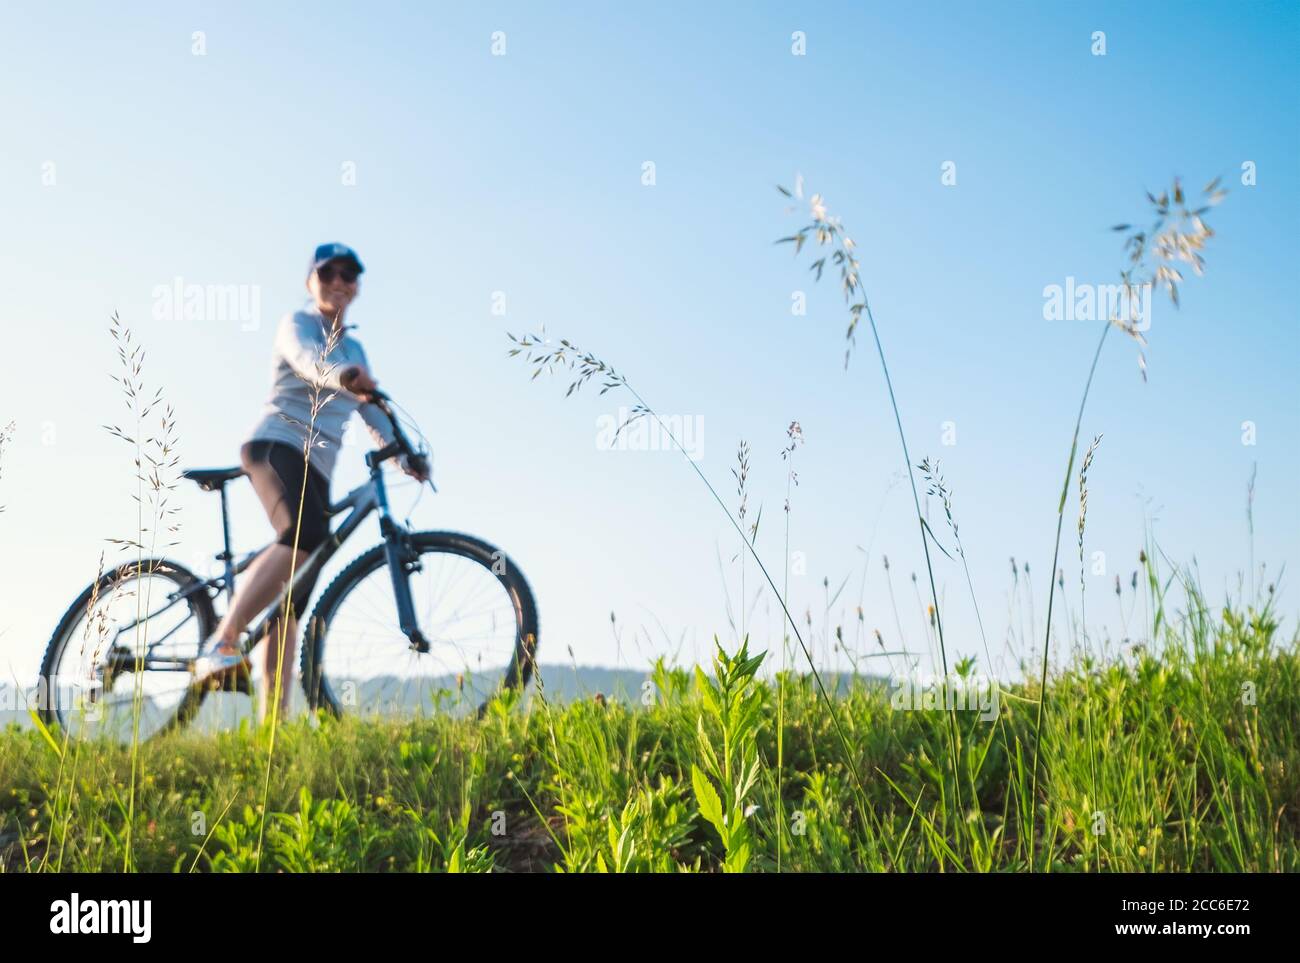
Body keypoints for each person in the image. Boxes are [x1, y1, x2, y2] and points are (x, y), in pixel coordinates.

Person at [191, 243, 429, 723]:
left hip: (317, 468)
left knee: (291, 600)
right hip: (274, 446)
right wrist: (343, 375)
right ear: (310, 282)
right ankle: (222, 641)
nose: (340, 282)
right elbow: (306, 362)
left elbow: (370, 409)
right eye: (329, 273)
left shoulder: (356, 348)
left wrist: (403, 454)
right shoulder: (297, 325)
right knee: (305, 535)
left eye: (350, 275)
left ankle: (272, 726)